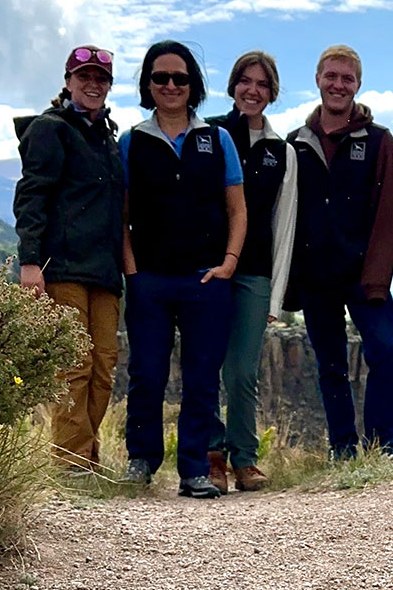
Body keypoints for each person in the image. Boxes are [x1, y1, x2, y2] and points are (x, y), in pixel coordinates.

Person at [119, 40, 247, 499]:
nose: (170, 85)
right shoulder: (132, 141)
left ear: (193, 85)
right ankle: (142, 460)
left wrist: (229, 263)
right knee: (147, 373)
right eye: (160, 78)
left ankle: (194, 469)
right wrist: (132, 272)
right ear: (147, 85)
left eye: (180, 78)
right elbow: (123, 213)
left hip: (205, 278)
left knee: (200, 376)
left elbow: (237, 209)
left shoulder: (218, 140)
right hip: (150, 278)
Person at [13, 44, 133, 473]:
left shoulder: (107, 135)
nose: (93, 84)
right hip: (60, 267)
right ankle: (70, 466)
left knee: (103, 367)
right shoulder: (50, 129)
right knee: (72, 367)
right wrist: (30, 264)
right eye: (84, 76)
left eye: (101, 78)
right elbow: (32, 195)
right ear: (67, 81)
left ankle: (85, 457)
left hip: (103, 271)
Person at [286, 45, 393, 460]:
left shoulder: (377, 141)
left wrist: (377, 276)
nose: (339, 85)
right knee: (331, 367)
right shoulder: (295, 144)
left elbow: (391, 213)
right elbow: (286, 217)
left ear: (358, 85)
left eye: (347, 78)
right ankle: (343, 447)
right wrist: (289, 281)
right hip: (316, 277)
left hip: (363, 275)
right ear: (318, 79)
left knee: (386, 352)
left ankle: (382, 444)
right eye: (331, 76)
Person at [206, 51, 298, 493]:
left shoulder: (282, 152)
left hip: (256, 272)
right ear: (233, 84)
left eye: (262, 84)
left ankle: (243, 458)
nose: (253, 90)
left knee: (242, 371)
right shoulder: (207, 135)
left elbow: (285, 226)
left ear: (272, 92)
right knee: (205, 364)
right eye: (245, 81)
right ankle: (210, 456)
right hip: (207, 269)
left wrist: (276, 296)